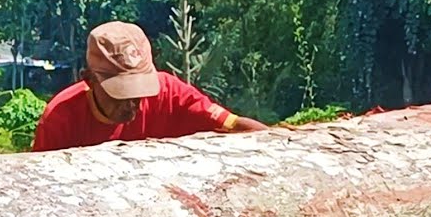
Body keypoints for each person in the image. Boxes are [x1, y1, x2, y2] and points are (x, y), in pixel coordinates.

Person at [33, 21, 268, 152]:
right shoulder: (60, 118)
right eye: (121, 94)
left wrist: (274, 144)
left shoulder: (170, 92)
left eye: (139, 93)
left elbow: (232, 124)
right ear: (90, 79)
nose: (131, 105)